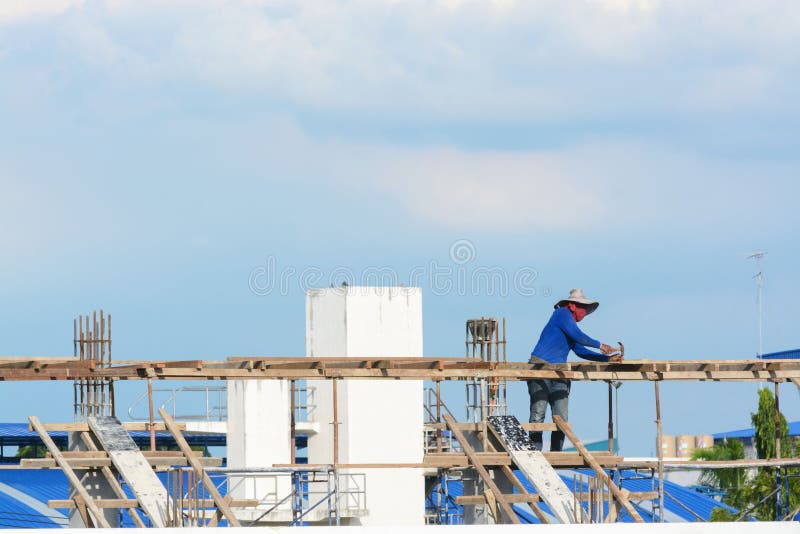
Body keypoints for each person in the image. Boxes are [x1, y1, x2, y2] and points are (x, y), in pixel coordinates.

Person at [528, 288, 623, 451]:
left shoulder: (570, 326)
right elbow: (578, 335)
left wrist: (606, 359)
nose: (584, 312)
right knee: (538, 413)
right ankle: (534, 453)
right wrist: (600, 345)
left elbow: (580, 350)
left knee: (561, 418)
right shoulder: (561, 314)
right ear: (572, 306)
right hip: (540, 367)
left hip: (560, 372)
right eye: (582, 308)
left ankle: (556, 454)